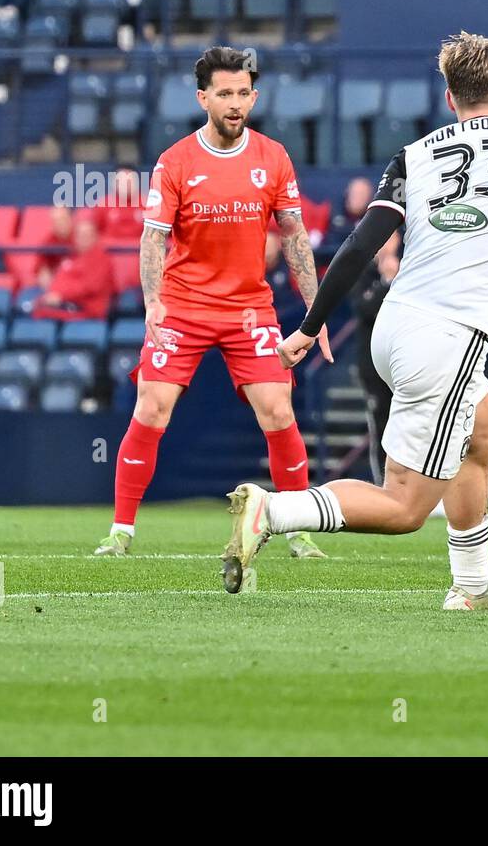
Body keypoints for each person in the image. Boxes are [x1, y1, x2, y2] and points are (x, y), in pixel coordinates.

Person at [222, 32, 488, 611]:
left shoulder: (417, 153)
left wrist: (308, 323)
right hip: (446, 340)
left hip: (395, 324)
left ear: (450, 98)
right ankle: (275, 510)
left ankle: (473, 584)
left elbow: (357, 246)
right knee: (403, 507)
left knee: (484, 430)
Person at [94, 46, 333, 560]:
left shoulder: (273, 157)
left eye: (244, 93)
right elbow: (153, 239)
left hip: (249, 307)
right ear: (202, 97)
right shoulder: (176, 161)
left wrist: (314, 315)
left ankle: (296, 530)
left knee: (278, 408)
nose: (235, 103)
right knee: (152, 409)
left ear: (255, 95)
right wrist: (153, 302)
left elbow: (293, 238)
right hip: (182, 305)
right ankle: (120, 531)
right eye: (224, 93)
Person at [352, 233, 401, 485]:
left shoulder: (412, 263)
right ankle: (384, 482)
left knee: (414, 423)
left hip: (405, 360)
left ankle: (423, 486)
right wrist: (387, 281)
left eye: (390, 238)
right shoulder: (365, 270)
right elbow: (363, 308)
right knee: (381, 423)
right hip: (372, 363)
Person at [32, 216, 114, 321]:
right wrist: (54, 294)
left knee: (42, 313)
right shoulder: (72, 256)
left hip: (86, 309)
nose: (83, 239)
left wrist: (62, 295)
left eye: (87, 235)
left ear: (95, 237)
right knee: (36, 310)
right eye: (79, 235)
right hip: (64, 304)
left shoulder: (102, 259)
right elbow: (58, 279)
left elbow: (91, 287)